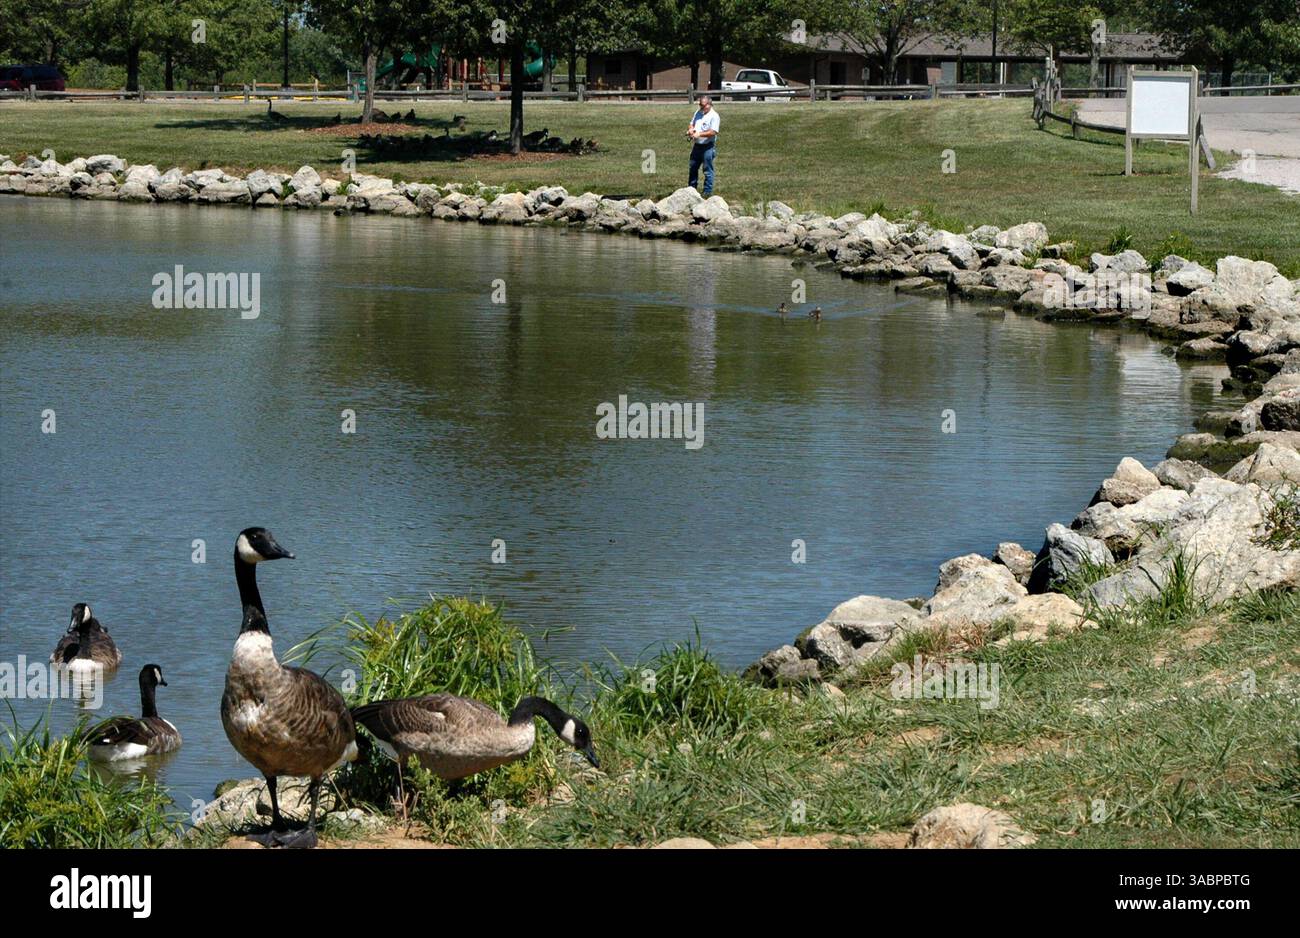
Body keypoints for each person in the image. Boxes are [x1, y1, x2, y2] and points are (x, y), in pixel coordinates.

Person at [686, 95, 720, 196]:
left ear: (709, 104)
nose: (700, 107)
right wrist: (691, 129)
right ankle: (691, 190)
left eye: (702, 105)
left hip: (708, 147)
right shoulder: (698, 112)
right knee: (693, 168)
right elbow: (692, 123)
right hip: (697, 146)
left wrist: (699, 134)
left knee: (707, 170)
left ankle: (707, 192)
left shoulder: (714, 116)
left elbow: (713, 132)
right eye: (700, 104)